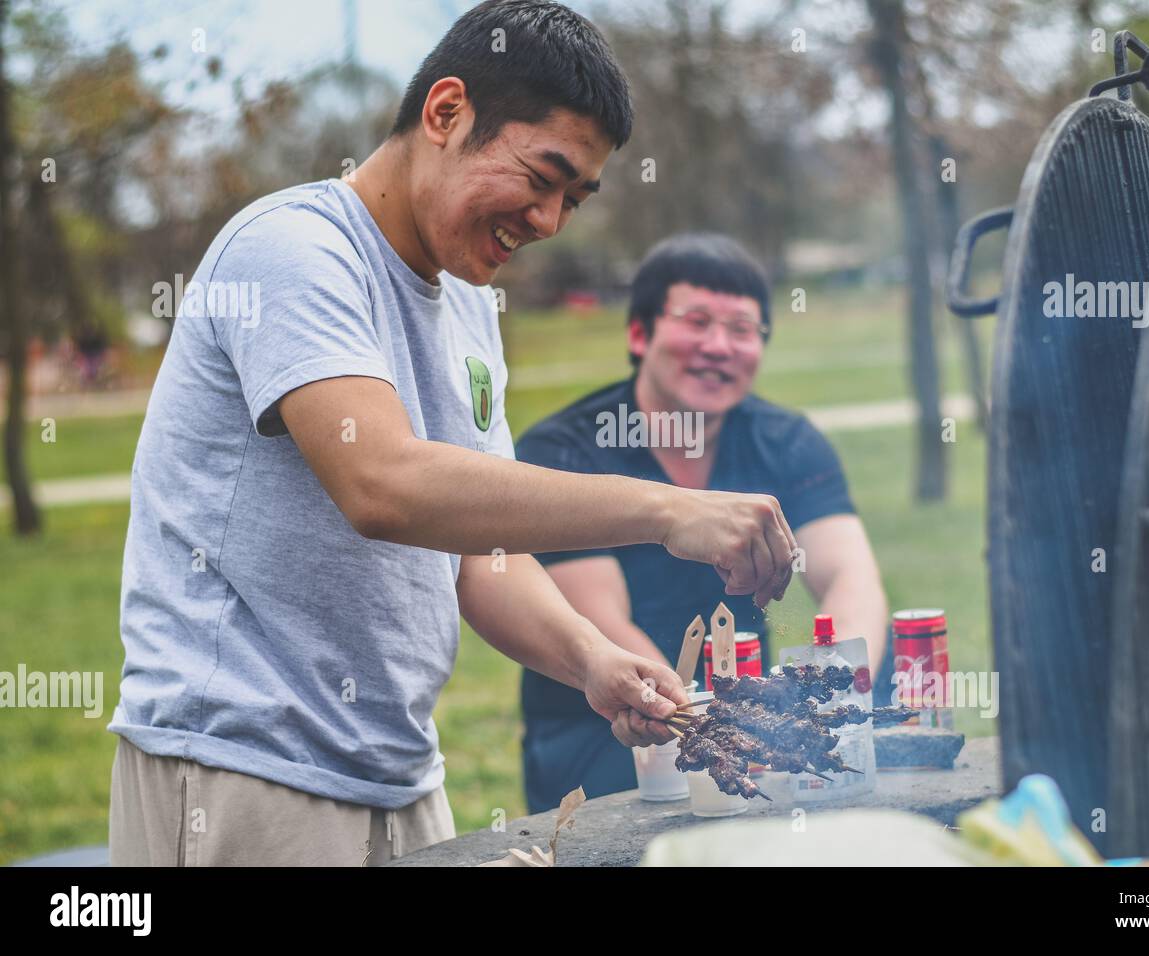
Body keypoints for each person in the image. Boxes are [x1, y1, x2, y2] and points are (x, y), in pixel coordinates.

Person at [107, 1, 797, 867]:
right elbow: (385, 485)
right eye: (542, 177)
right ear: (446, 113)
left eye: (573, 200)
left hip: (400, 777)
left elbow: (484, 552)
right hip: (242, 775)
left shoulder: (470, 300)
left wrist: (593, 658)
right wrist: (668, 510)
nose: (548, 222)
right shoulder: (292, 252)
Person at [515, 233, 889, 812]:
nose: (719, 346)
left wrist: (829, 693)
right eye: (697, 322)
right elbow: (601, 616)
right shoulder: (564, 451)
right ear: (640, 334)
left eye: (742, 329)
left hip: (744, 736)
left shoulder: (787, 444)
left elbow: (851, 577)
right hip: (601, 740)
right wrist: (699, 723)